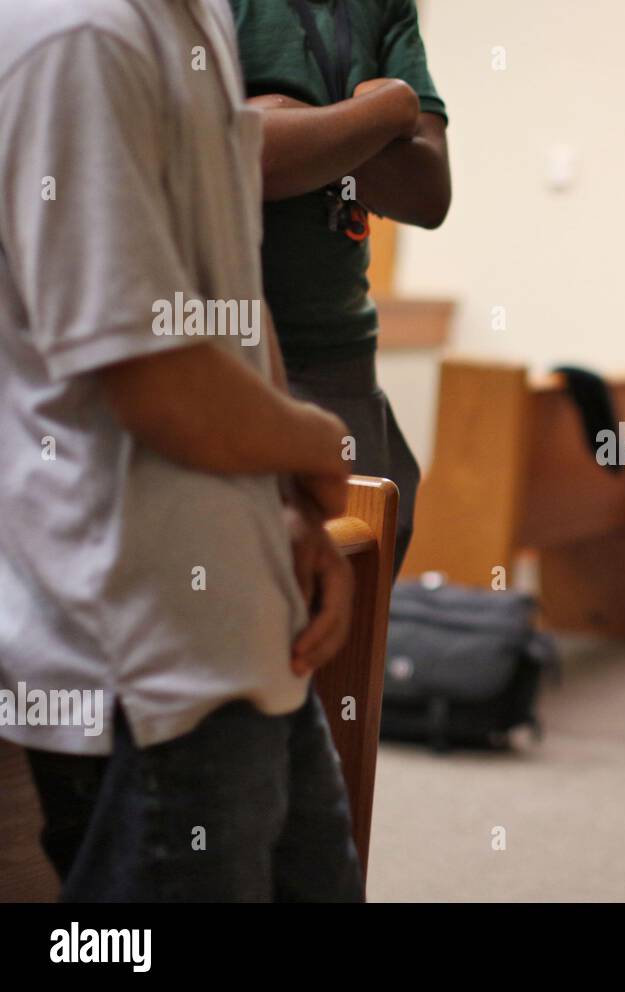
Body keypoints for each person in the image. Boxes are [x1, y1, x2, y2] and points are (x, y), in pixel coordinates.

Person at [0, 0, 362, 901]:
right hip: (138, 653)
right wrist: (317, 444)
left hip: (237, 620)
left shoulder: (194, 11)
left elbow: (223, 282)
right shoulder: (73, 31)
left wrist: (284, 497)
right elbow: (154, 378)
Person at [229, 0, 452, 575]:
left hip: (347, 366)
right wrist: (387, 110)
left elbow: (429, 192)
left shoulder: (384, 7)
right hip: (235, 357)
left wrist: (298, 125)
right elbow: (241, 159)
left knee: (354, 630)